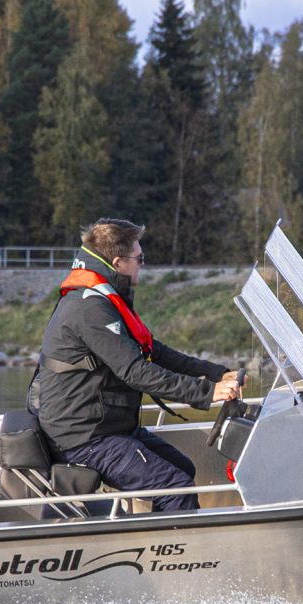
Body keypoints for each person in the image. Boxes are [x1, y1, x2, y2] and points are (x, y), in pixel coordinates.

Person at [28, 219, 241, 512]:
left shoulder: (105, 296)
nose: (142, 264)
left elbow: (154, 351)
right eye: (139, 259)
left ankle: (159, 542)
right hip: (85, 437)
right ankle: (173, 556)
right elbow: (136, 372)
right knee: (176, 489)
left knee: (182, 468)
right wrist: (207, 393)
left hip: (106, 426)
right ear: (118, 262)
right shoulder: (90, 307)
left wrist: (216, 373)